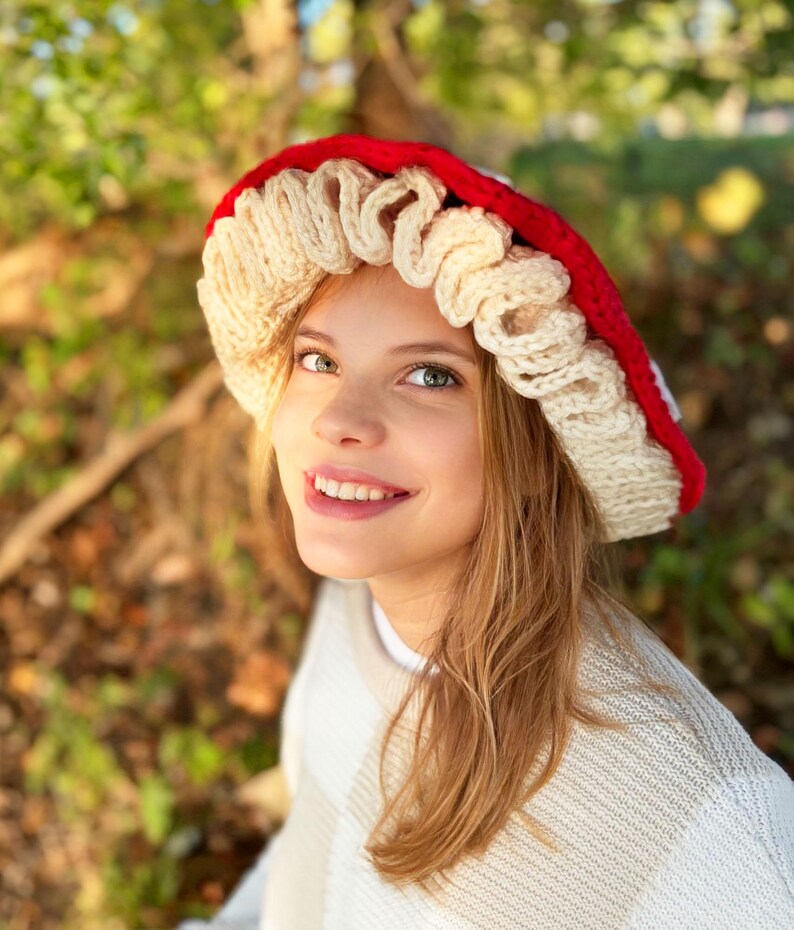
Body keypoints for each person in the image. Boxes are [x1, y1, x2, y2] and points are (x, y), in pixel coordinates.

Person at [175, 135, 794, 930]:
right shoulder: (354, 603)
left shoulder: (708, 833)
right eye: (318, 360)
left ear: (539, 451)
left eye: (430, 375)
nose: (339, 420)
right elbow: (312, 850)